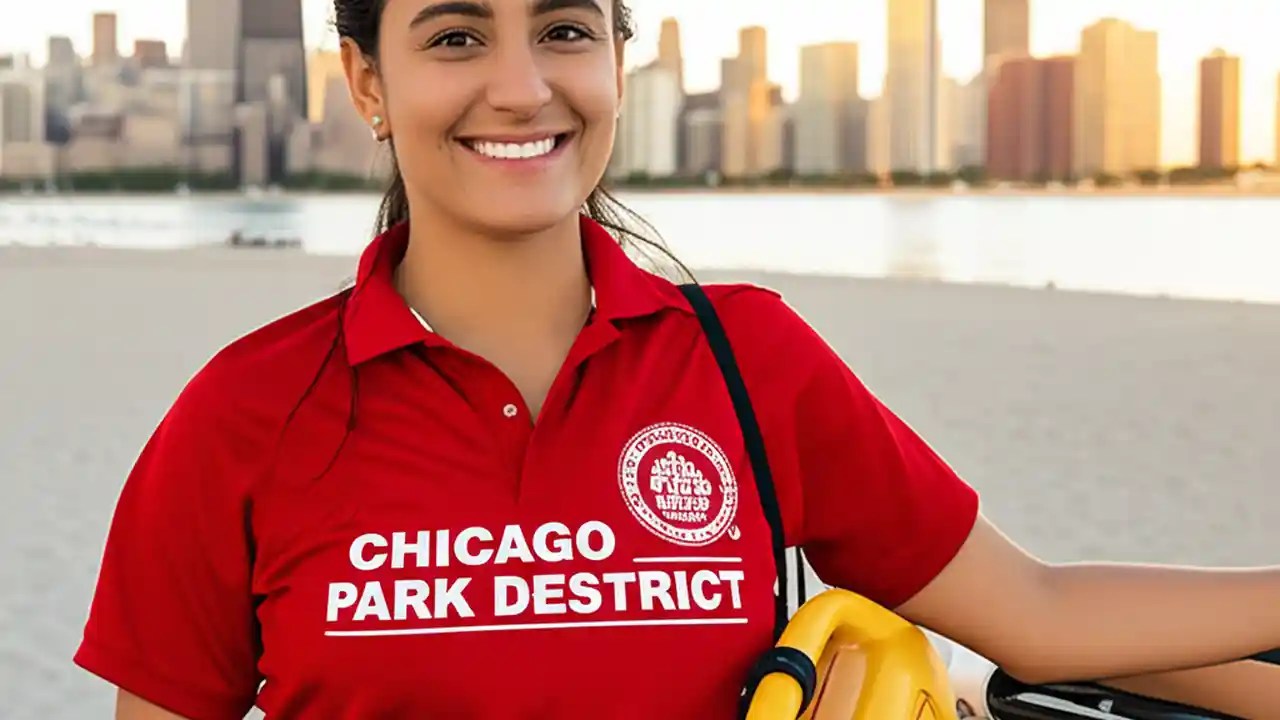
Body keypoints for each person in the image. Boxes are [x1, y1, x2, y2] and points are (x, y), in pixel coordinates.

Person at [74, 1, 1278, 718]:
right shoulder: (245, 411)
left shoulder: (749, 361)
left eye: (561, 30)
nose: (519, 85)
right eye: (454, 35)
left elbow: (1037, 614)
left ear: (612, 62)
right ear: (367, 82)